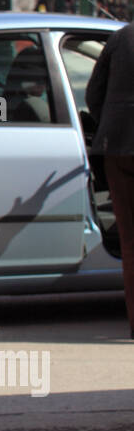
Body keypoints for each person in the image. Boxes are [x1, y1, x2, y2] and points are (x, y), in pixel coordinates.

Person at [87, 21, 134, 336]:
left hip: (117, 146)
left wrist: (109, 125)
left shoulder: (121, 37)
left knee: (130, 243)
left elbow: (94, 94)